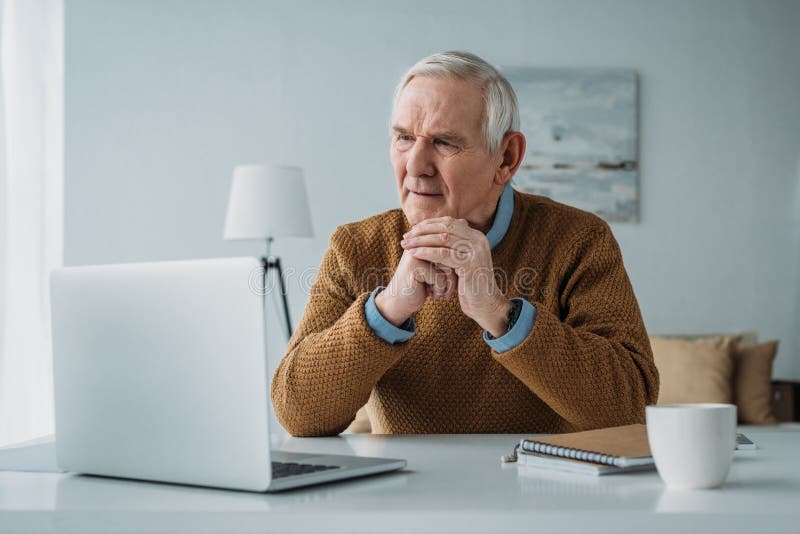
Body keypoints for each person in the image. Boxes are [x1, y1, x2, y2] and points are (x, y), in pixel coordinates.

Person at [271, 51, 658, 436]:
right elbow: (297, 415)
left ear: (506, 158)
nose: (415, 165)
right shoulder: (355, 247)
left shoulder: (579, 240)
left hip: (542, 492)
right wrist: (388, 308)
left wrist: (498, 313)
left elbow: (633, 408)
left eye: (443, 143)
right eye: (404, 138)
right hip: (404, 493)